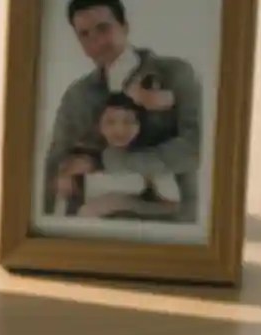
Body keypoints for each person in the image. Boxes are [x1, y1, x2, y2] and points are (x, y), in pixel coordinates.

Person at [42, 0, 202, 222]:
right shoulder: (78, 95)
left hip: (172, 221)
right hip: (91, 227)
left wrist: (106, 162)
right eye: (84, 35)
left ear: (125, 26)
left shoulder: (175, 73)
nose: (95, 41)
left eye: (103, 28)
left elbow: (194, 148)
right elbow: (55, 162)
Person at [57, 93, 181, 219]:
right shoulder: (82, 156)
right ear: (99, 125)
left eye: (128, 121)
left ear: (139, 126)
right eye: (110, 122)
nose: (120, 130)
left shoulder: (152, 155)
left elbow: (172, 203)